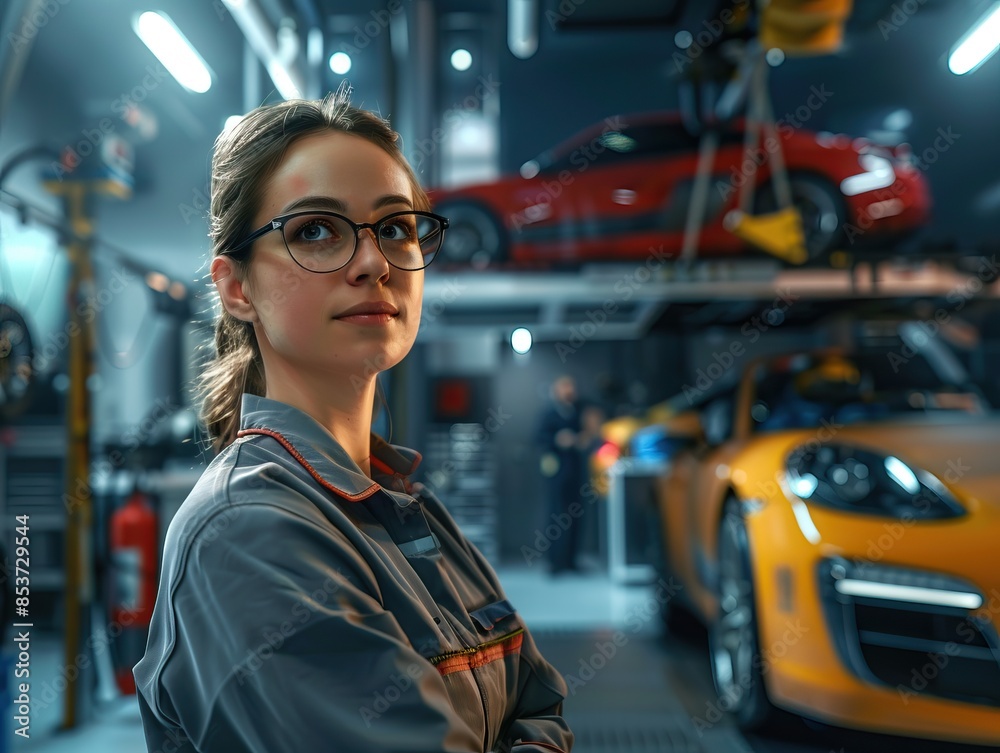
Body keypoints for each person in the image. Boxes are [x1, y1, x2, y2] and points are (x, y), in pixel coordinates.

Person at [133, 89, 573, 753]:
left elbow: (543, 708)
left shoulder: (406, 506)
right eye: (315, 231)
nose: (374, 262)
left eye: (395, 228)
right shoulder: (246, 532)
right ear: (237, 288)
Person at [536, 376, 587, 575]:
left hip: (576, 472)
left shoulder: (579, 412)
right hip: (556, 473)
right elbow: (538, 437)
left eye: (571, 387)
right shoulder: (549, 413)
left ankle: (571, 561)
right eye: (564, 387)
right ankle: (555, 562)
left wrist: (579, 439)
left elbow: (587, 434)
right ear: (556, 391)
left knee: (575, 515)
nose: (569, 391)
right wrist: (557, 440)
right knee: (556, 515)